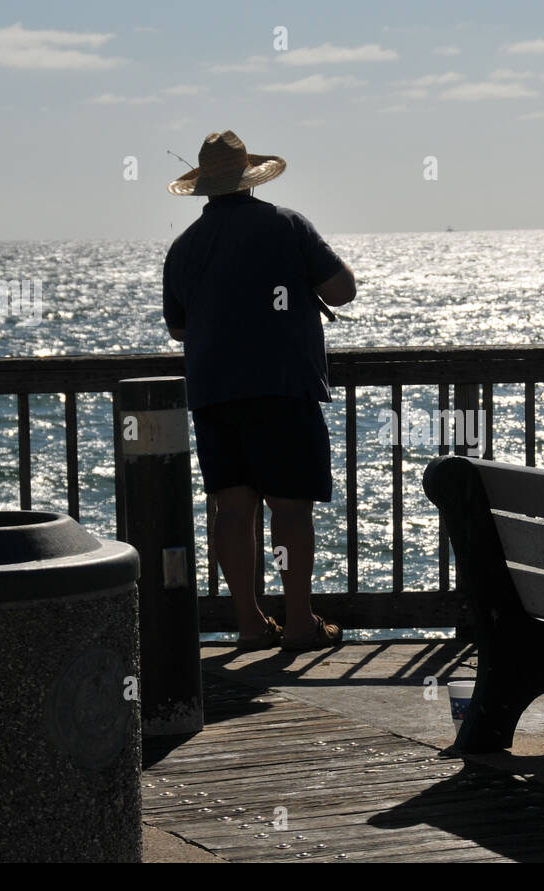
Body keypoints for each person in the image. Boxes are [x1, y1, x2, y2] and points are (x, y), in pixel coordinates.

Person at [163, 129, 355, 651]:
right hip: (282, 386)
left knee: (232, 509)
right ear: (249, 176)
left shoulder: (183, 248)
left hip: (215, 390)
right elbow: (343, 291)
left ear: (204, 185)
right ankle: (298, 624)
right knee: (289, 510)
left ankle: (249, 624)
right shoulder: (287, 225)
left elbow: (179, 329)